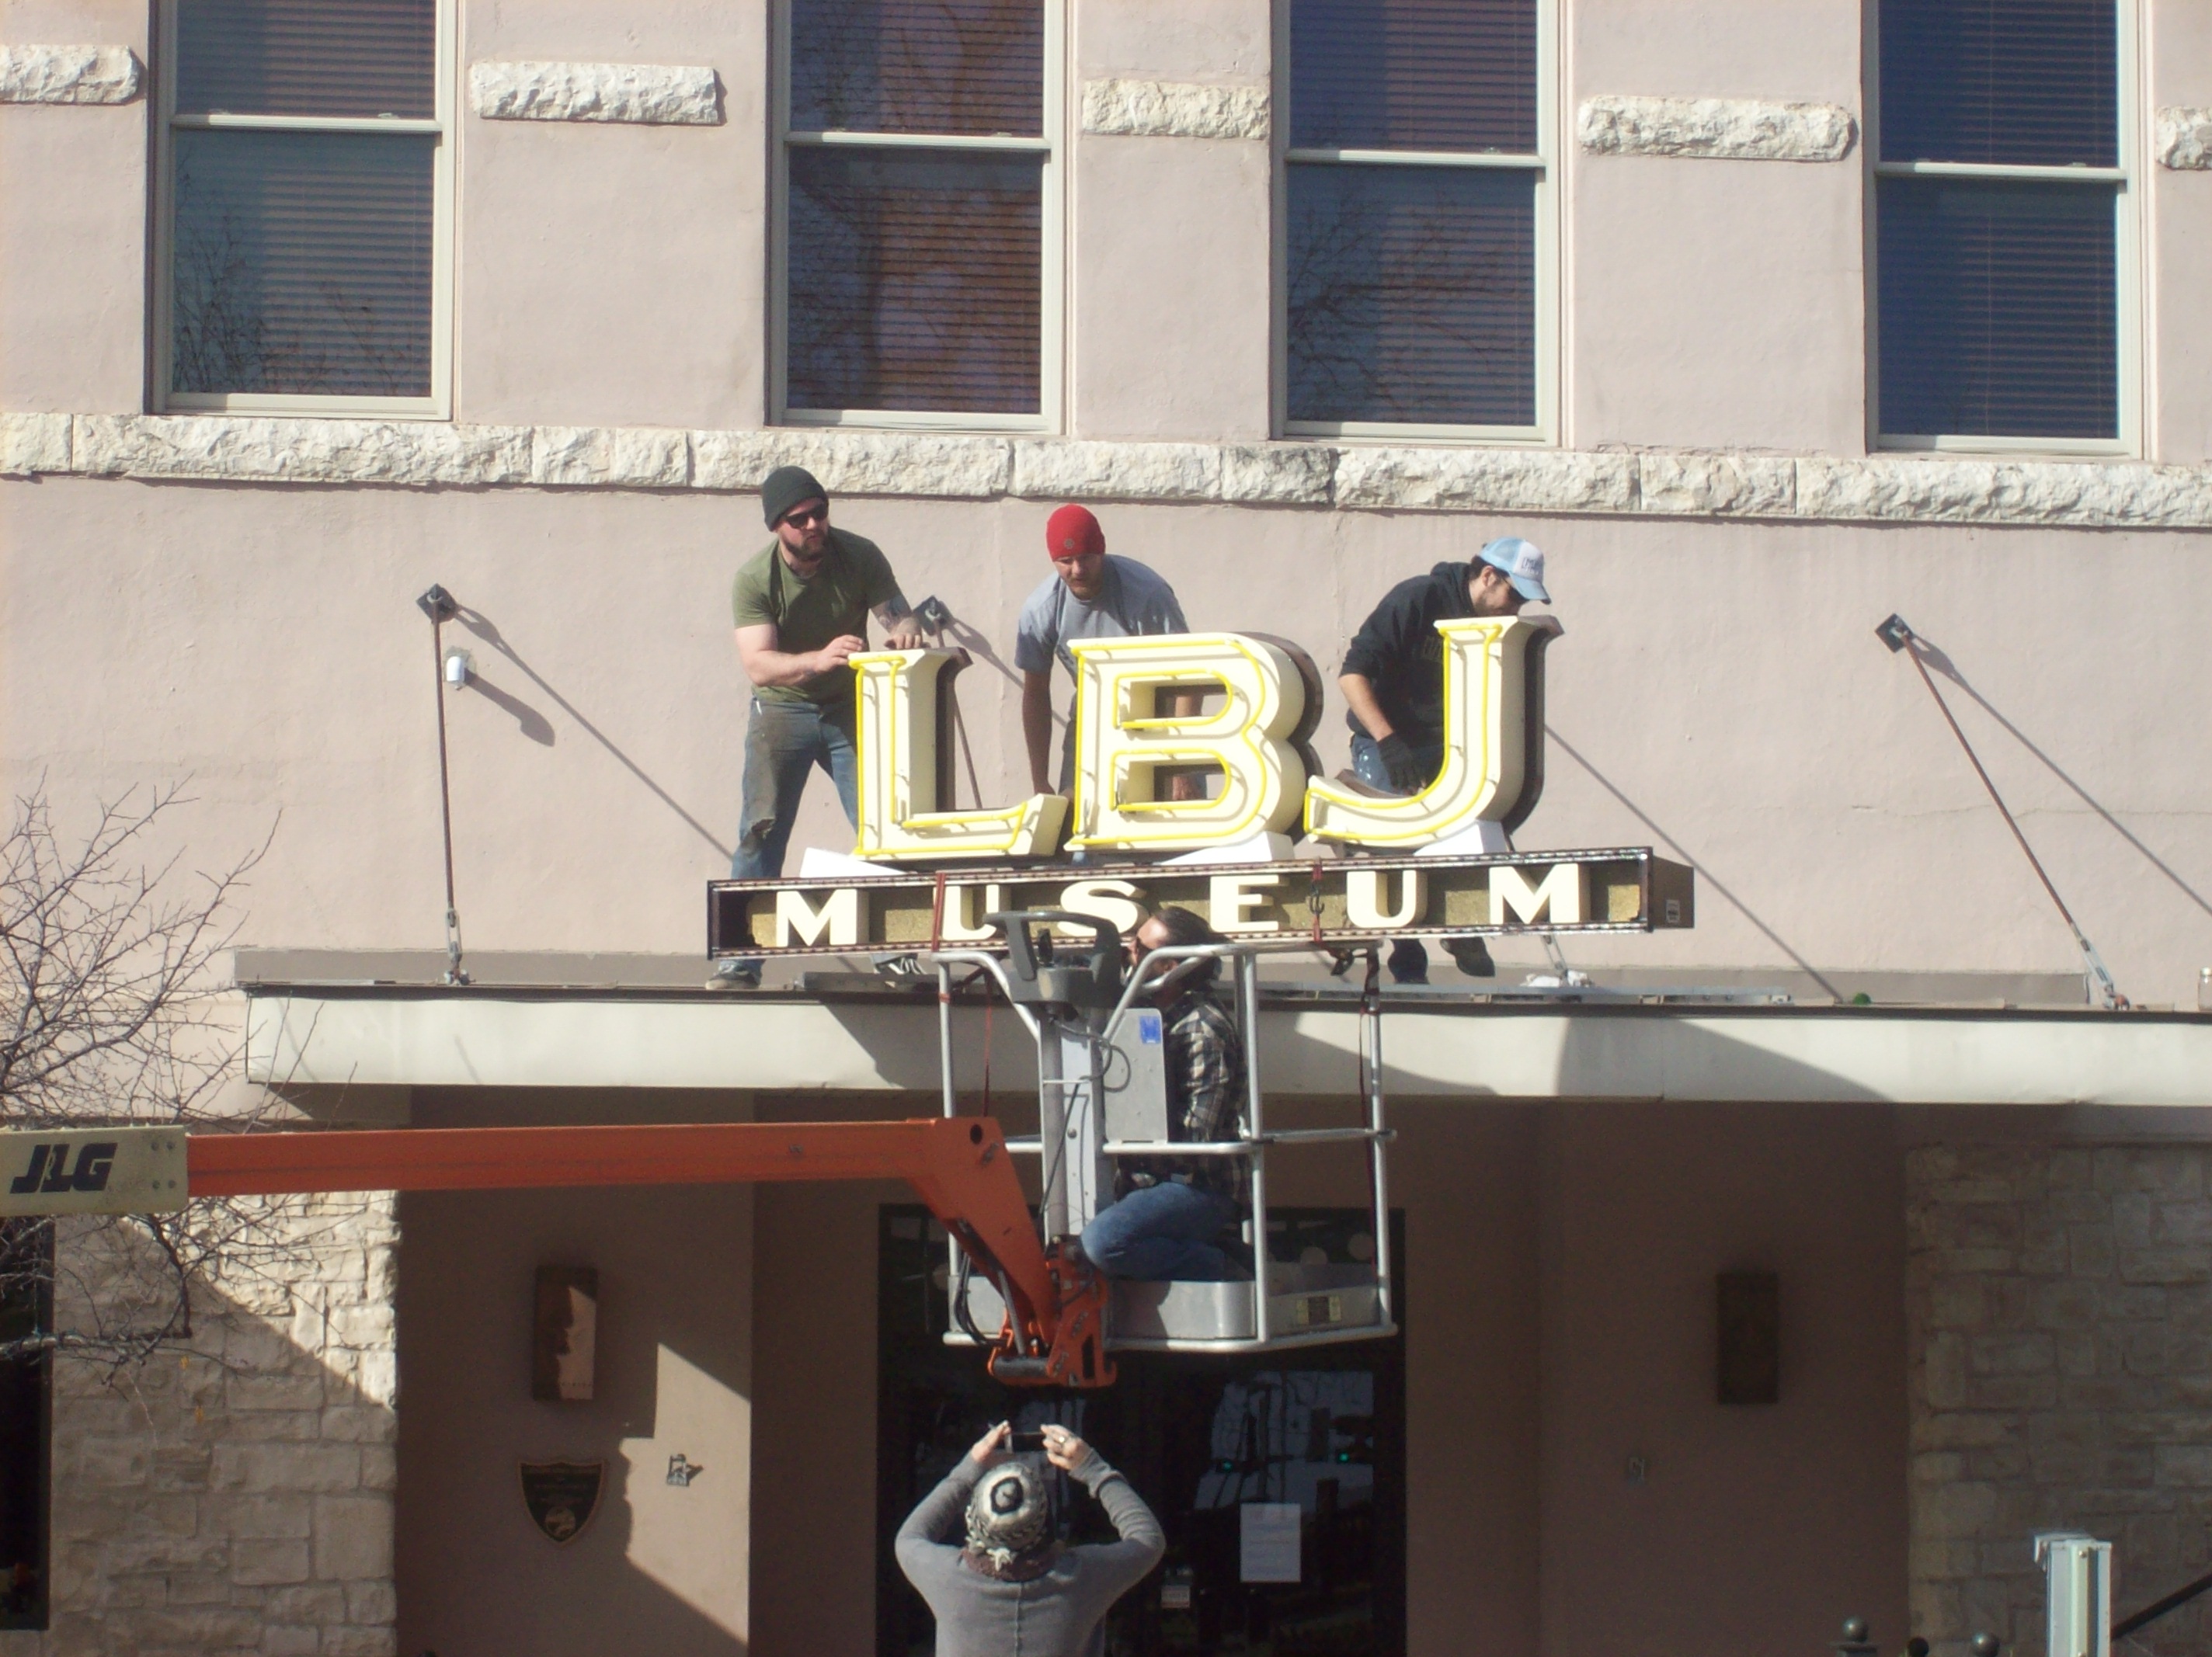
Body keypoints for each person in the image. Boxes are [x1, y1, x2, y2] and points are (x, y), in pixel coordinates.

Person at [712, 465, 923, 988]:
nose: (813, 526)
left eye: (820, 513)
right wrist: (819, 658)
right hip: (782, 710)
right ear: (777, 526)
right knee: (760, 833)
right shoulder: (755, 579)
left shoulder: (859, 555)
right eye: (799, 518)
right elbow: (759, 664)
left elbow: (898, 616)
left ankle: (893, 952)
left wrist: (906, 630)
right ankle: (740, 961)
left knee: (882, 828)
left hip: (850, 706)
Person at [1338, 536, 1553, 985]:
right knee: (1397, 845)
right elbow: (1353, 675)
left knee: (1474, 828)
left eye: (1523, 603)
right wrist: (1389, 742)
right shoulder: (1418, 598)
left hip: (1447, 750)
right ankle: (1409, 963)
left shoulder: (1493, 628)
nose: (1514, 610)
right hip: (1386, 740)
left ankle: (1463, 927)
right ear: (1487, 576)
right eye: (1513, 596)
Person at [1079, 906, 1247, 1281]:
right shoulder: (1141, 1014)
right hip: (1146, 1182)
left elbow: (1197, 1137)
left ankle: (1223, 1264)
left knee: (1104, 1243)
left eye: (1140, 948)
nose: (1129, 953)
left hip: (1196, 1188)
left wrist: (1128, 1136)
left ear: (1169, 966)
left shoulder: (1204, 1027)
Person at [896, 1420, 1163, 1657]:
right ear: (1044, 1522)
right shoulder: (1083, 1577)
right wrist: (1092, 1468)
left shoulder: (946, 1578)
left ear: (973, 1520)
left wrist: (968, 1471)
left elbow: (909, 1538)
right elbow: (1147, 1539)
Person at [1014, 504, 1198, 798]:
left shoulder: (1146, 593)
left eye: (1086, 558)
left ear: (1101, 551)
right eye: (1066, 561)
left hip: (1158, 717)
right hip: (1091, 715)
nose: (1078, 570)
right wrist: (1040, 783)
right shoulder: (1041, 609)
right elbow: (1035, 693)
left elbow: (1188, 677)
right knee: (1078, 830)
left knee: (1170, 827)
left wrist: (1182, 767)